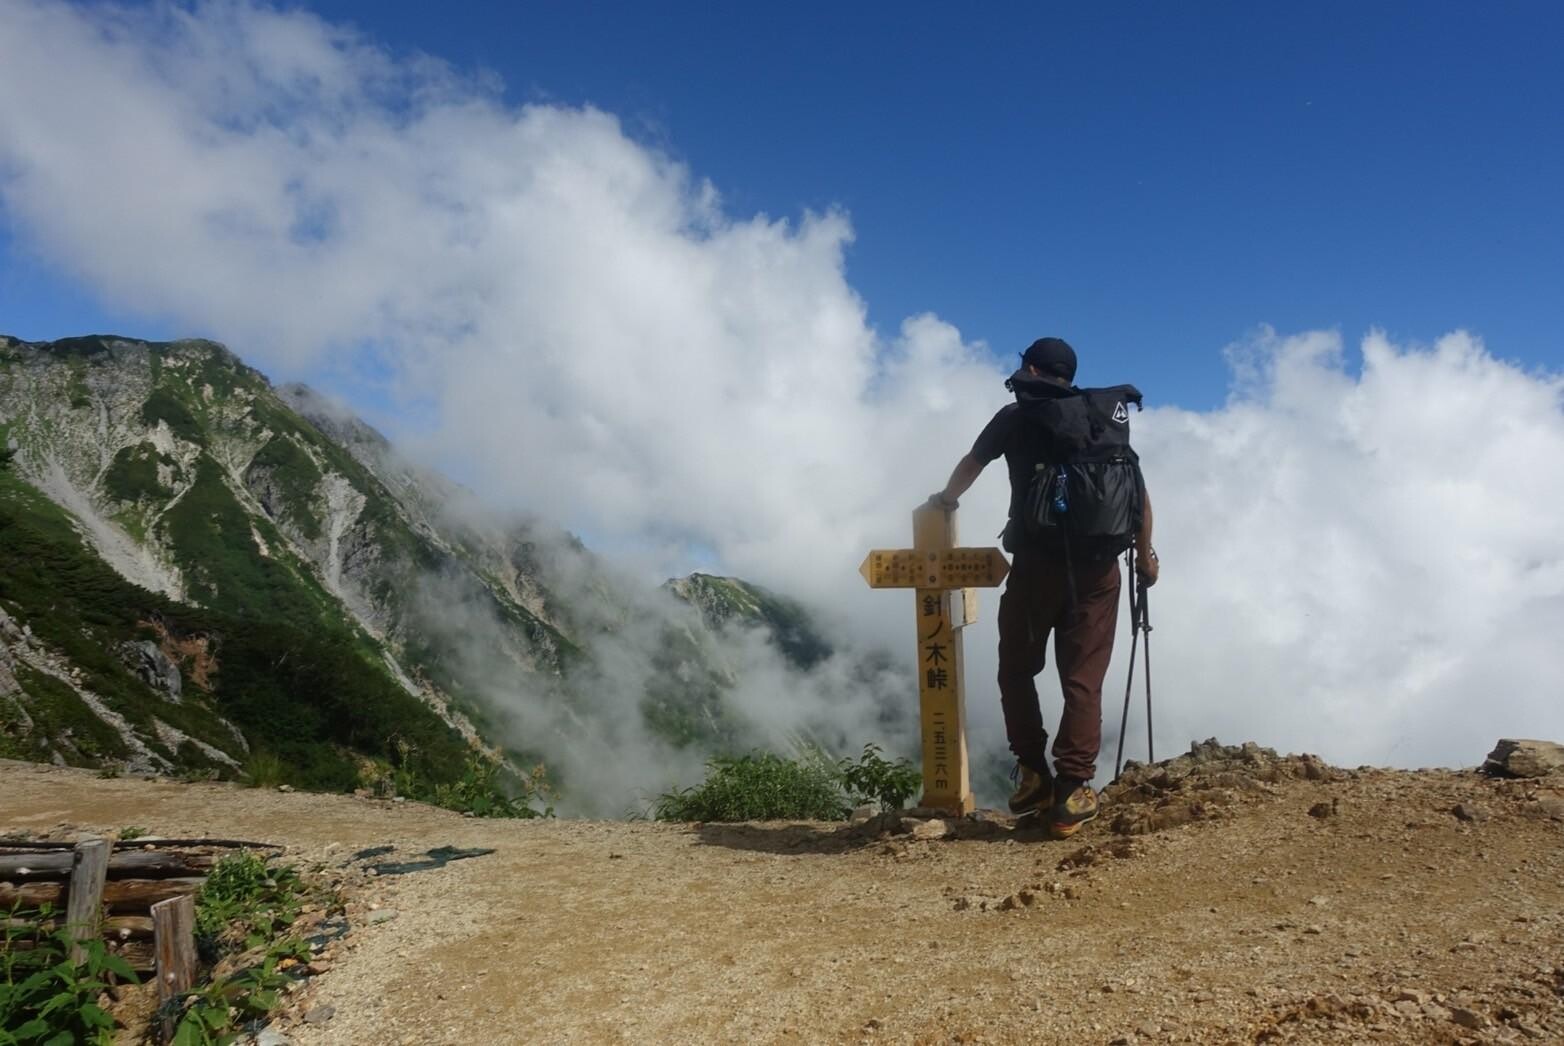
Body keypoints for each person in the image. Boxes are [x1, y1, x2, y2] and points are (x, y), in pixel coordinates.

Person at [927, 336, 1157, 838]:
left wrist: (945, 500)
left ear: (1030, 368)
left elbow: (973, 463)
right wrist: (1146, 554)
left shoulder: (1016, 417)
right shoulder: (1102, 421)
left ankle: (1032, 775)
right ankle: (1073, 792)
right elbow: (1137, 490)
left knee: (1016, 669)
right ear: (1069, 376)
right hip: (1100, 572)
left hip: (1036, 567)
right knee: (1083, 679)